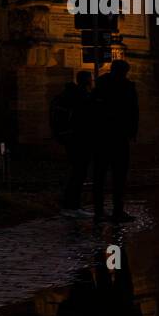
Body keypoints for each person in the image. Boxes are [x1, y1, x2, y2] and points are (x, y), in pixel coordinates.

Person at [92, 60, 139, 223]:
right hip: (119, 135)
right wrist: (132, 131)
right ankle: (117, 210)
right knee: (119, 175)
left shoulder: (100, 86)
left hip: (101, 136)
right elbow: (133, 111)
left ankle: (99, 210)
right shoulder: (127, 87)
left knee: (99, 174)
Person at [50, 70, 93, 213]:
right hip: (79, 137)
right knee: (79, 171)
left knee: (77, 170)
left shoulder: (65, 95)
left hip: (69, 137)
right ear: (87, 81)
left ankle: (70, 202)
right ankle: (72, 203)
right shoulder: (81, 96)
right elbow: (85, 119)